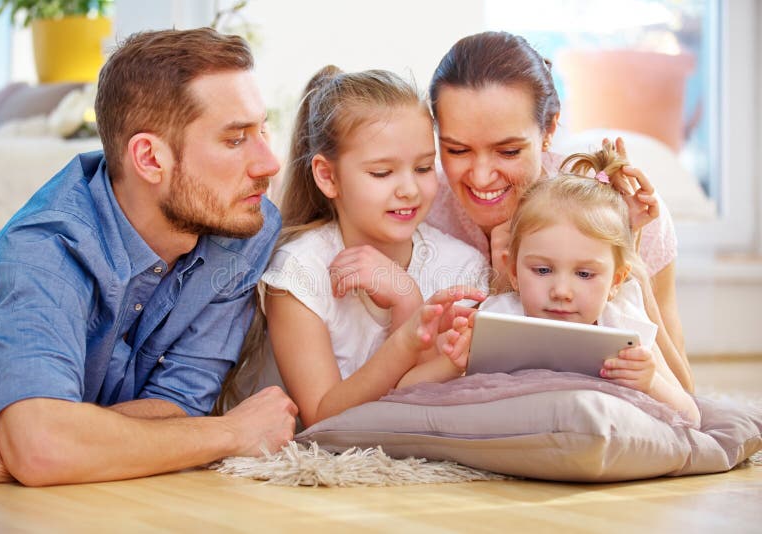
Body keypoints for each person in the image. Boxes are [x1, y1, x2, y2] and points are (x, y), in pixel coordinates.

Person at [0, 28, 297, 486]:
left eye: (262, 130)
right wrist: (230, 433)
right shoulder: (43, 249)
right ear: (149, 158)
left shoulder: (242, 228)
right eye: (235, 140)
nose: (269, 163)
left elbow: (180, 402)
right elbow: (42, 448)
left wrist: (49, 440)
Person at [425, 31, 693, 392]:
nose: (482, 176)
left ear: (549, 129)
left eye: (508, 152)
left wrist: (629, 246)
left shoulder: (609, 210)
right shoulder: (424, 207)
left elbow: (682, 390)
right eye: (457, 150)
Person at [227, 66, 490, 428]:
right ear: (328, 176)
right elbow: (321, 416)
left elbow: (430, 406)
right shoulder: (299, 270)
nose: (409, 190)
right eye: (382, 173)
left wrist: (405, 299)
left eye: (425, 168)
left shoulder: (461, 266)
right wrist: (406, 334)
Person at [467, 144, 699, 427]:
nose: (561, 292)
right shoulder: (498, 317)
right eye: (542, 270)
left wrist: (651, 383)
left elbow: (691, 415)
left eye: (585, 274)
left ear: (615, 282)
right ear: (513, 271)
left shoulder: (624, 325)